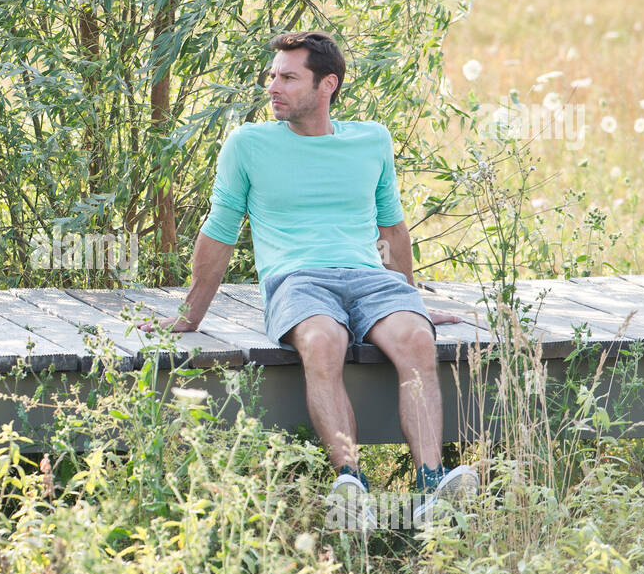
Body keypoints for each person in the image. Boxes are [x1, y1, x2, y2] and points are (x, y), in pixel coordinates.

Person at [139, 31, 478, 528]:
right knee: (322, 341)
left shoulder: (371, 140)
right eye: (273, 75)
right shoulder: (248, 144)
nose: (272, 86)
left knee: (415, 338)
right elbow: (219, 231)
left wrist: (410, 297)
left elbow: (392, 227)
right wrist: (190, 316)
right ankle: (352, 485)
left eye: (288, 77)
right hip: (297, 279)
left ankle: (431, 484)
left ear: (327, 86)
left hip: (368, 278)